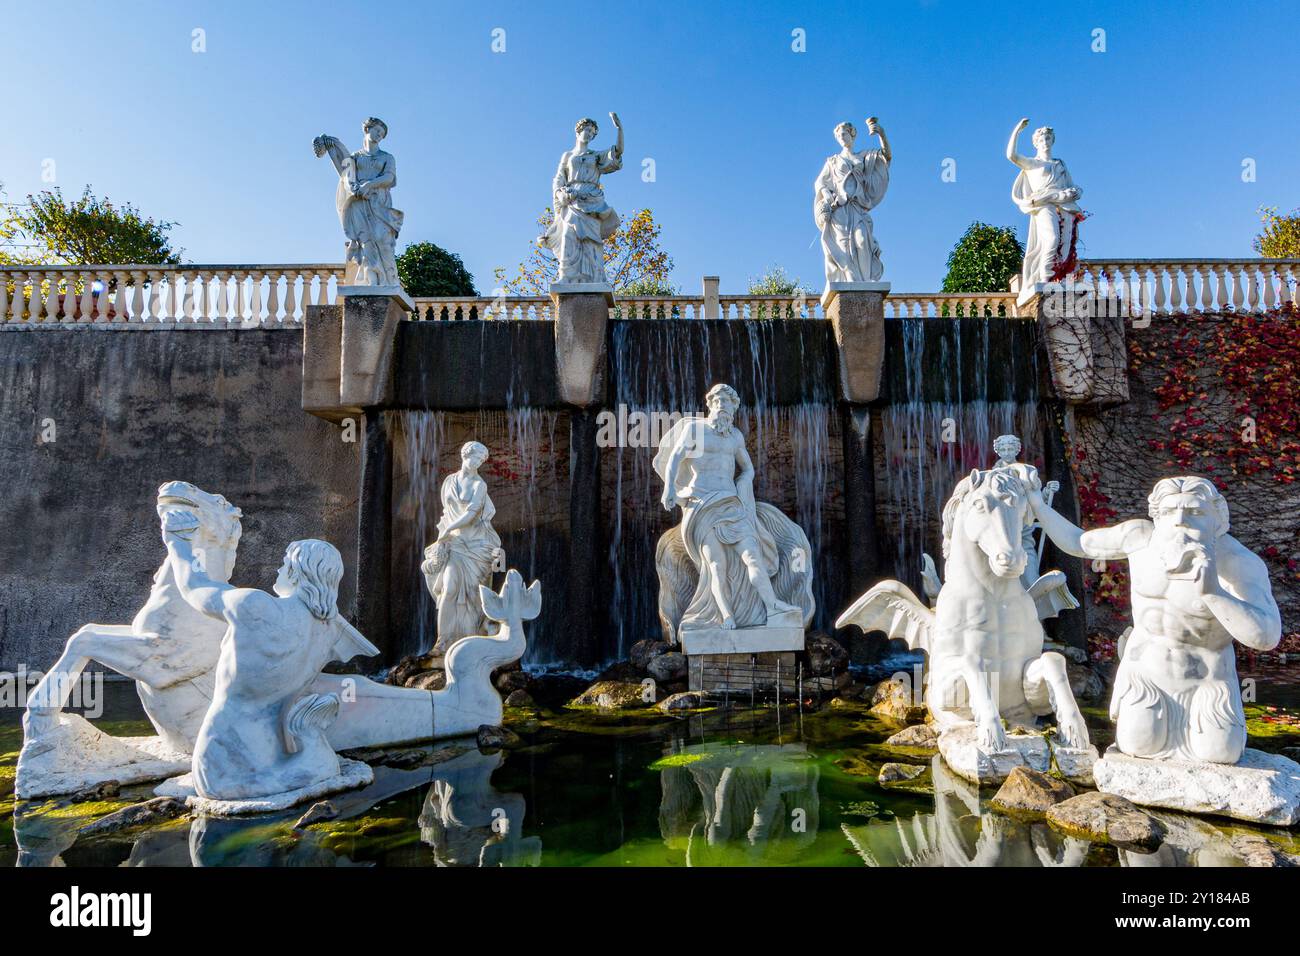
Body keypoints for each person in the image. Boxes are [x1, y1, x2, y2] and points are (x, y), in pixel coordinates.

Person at [1028, 475, 1281, 763]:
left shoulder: (1237, 562)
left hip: (1208, 683)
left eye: (1196, 512)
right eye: (1171, 511)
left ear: (1218, 518)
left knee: (1219, 755)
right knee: (1138, 746)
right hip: (1147, 677)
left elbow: (1266, 636)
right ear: (1157, 515)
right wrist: (1037, 503)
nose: (1181, 520)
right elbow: (1077, 542)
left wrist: (1213, 592)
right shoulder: (1139, 539)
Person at [654, 384, 801, 631]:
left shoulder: (735, 436)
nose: (723, 406)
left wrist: (744, 481)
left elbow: (748, 467)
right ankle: (725, 615)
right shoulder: (695, 430)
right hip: (701, 505)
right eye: (719, 401)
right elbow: (674, 459)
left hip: (731, 504)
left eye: (728, 402)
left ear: (734, 408)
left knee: (753, 556)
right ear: (710, 404)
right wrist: (669, 488)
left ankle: (772, 605)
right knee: (716, 565)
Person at [422, 441, 504, 652]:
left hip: (476, 547)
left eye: (481, 460)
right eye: (474, 458)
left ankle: (471, 640)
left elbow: (470, 514)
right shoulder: (449, 481)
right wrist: (446, 533)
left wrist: (449, 529)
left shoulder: (480, 485)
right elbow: (446, 509)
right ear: (464, 455)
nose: (476, 463)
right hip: (455, 546)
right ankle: (442, 641)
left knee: (472, 596)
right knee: (449, 590)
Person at [314, 117, 404, 286]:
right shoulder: (355, 157)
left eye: (382, 134)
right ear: (367, 129)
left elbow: (389, 177)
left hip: (379, 203)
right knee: (366, 242)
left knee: (383, 239)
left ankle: (390, 279)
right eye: (377, 131)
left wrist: (370, 184)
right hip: (359, 204)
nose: (379, 135)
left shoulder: (387, 157)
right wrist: (353, 187)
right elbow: (346, 175)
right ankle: (371, 280)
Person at [539, 113, 624, 284]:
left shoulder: (596, 156)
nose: (590, 134)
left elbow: (617, 152)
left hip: (592, 201)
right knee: (568, 236)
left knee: (591, 241)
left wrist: (619, 129)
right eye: (587, 130)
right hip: (572, 200)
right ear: (578, 131)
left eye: (593, 133)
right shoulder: (567, 156)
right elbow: (558, 178)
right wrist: (559, 193)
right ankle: (566, 276)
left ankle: (595, 278)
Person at [1006, 118, 1084, 293]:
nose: (1045, 142)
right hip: (1044, 205)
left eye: (1048, 138)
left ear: (1053, 140)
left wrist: (1076, 191)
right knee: (1051, 239)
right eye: (1041, 140)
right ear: (1036, 143)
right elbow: (1011, 155)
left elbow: (1071, 184)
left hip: (1064, 204)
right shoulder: (1033, 163)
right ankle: (1044, 276)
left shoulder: (1059, 163)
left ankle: (1060, 276)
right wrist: (1017, 130)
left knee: (1066, 243)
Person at [814, 118, 891, 285]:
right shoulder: (832, 161)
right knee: (844, 248)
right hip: (840, 210)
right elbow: (819, 183)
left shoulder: (862, 156)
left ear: (852, 135)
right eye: (839, 136)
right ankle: (851, 280)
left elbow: (886, 157)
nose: (842, 137)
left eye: (845, 134)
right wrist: (827, 194)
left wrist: (881, 135)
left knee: (863, 241)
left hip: (858, 207)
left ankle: (866, 282)